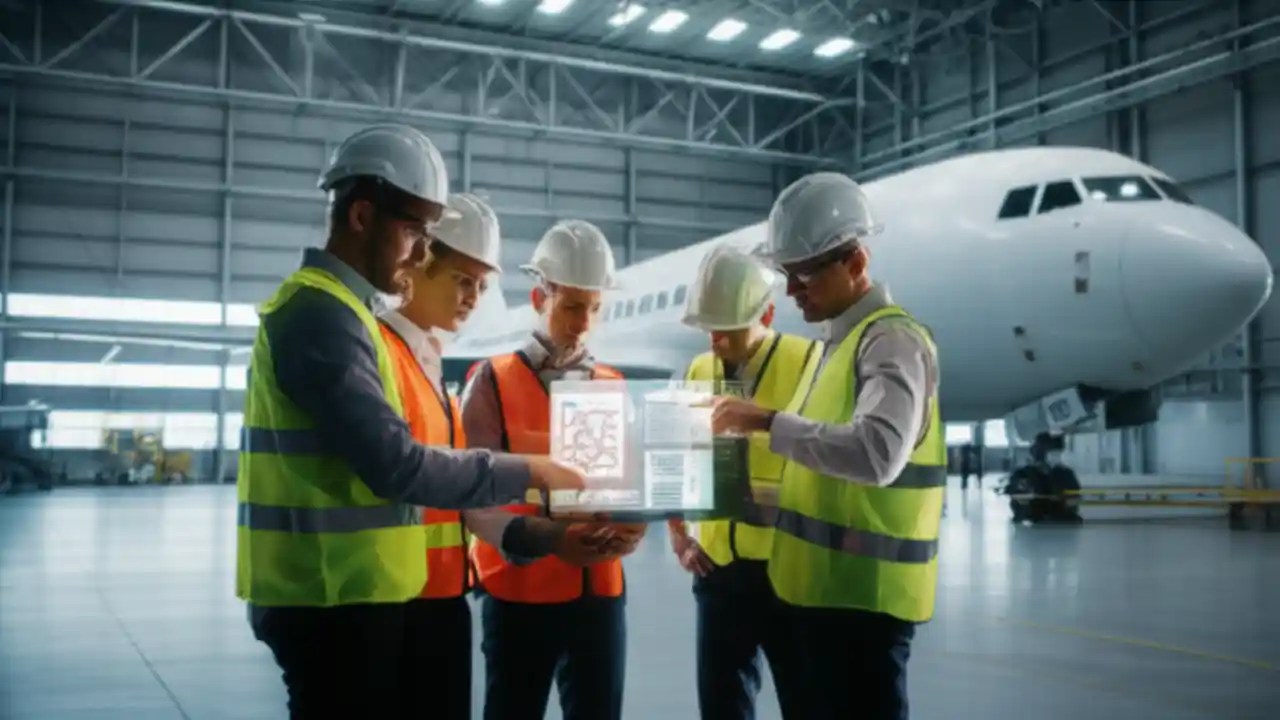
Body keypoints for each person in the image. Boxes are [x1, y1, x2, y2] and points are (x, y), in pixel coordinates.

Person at [235, 123, 584, 720]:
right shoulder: (320, 313)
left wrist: (542, 533)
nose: (422, 253)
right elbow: (396, 465)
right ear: (361, 216)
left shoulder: (351, 318)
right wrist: (530, 470)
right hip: (328, 599)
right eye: (416, 232)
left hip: (360, 595)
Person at [709, 172, 946, 720]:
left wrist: (767, 421)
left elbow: (876, 454)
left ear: (856, 262)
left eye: (805, 274)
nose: (792, 290)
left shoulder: (891, 339)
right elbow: (819, 475)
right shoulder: (835, 347)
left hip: (863, 606)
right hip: (820, 598)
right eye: (786, 275)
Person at [461, 219, 646, 720]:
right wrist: (546, 537)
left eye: (594, 308)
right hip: (519, 594)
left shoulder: (613, 384)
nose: (583, 322)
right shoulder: (491, 382)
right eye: (571, 306)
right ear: (539, 297)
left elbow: (627, 483)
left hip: (599, 593)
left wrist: (635, 523)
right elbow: (474, 498)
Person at [666, 244, 820, 720]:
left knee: (806, 702)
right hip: (717, 571)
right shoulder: (699, 370)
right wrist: (679, 536)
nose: (715, 341)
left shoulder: (808, 363)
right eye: (709, 328)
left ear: (766, 315)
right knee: (721, 706)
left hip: (789, 575)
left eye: (727, 330)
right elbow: (677, 460)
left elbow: (828, 457)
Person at [377, 191, 503, 720]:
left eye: (482, 286)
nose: (473, 297)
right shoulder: (380, 351)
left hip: (444, 594)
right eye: (462, 280)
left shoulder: (428, 359)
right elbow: (405, 469)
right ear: (416, 261)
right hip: (392, 604)